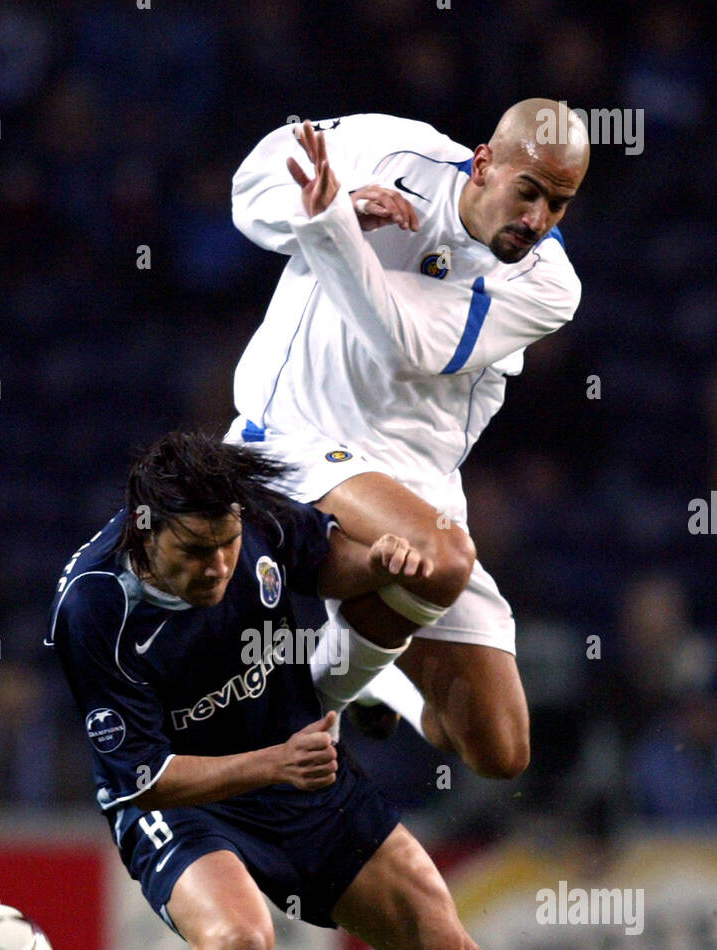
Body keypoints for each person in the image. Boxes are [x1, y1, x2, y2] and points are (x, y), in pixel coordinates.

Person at [47, 430, 602, 950]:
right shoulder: (94, 605)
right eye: (198, 553)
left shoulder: (259, 523)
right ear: (144, 527)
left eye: (230, 546)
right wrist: (272, 762)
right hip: (189, 796)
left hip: (299, 778)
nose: (220, 568)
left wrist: (386, 567)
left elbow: (327, 563)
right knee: (238, 941)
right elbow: (142, 776)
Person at [227, 100, 590, 773]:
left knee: (496, 749)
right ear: (483, 164)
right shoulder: (390, 148)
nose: (537, 220)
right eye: (529, 192)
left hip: (415, 486)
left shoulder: (547, 284)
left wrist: (333, 226)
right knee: (441, 561)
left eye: (559, 205)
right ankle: (301, 703)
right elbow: (252, 187)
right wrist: (319, 210)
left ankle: (369, 675)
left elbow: (405, 345)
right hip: (291, 436)